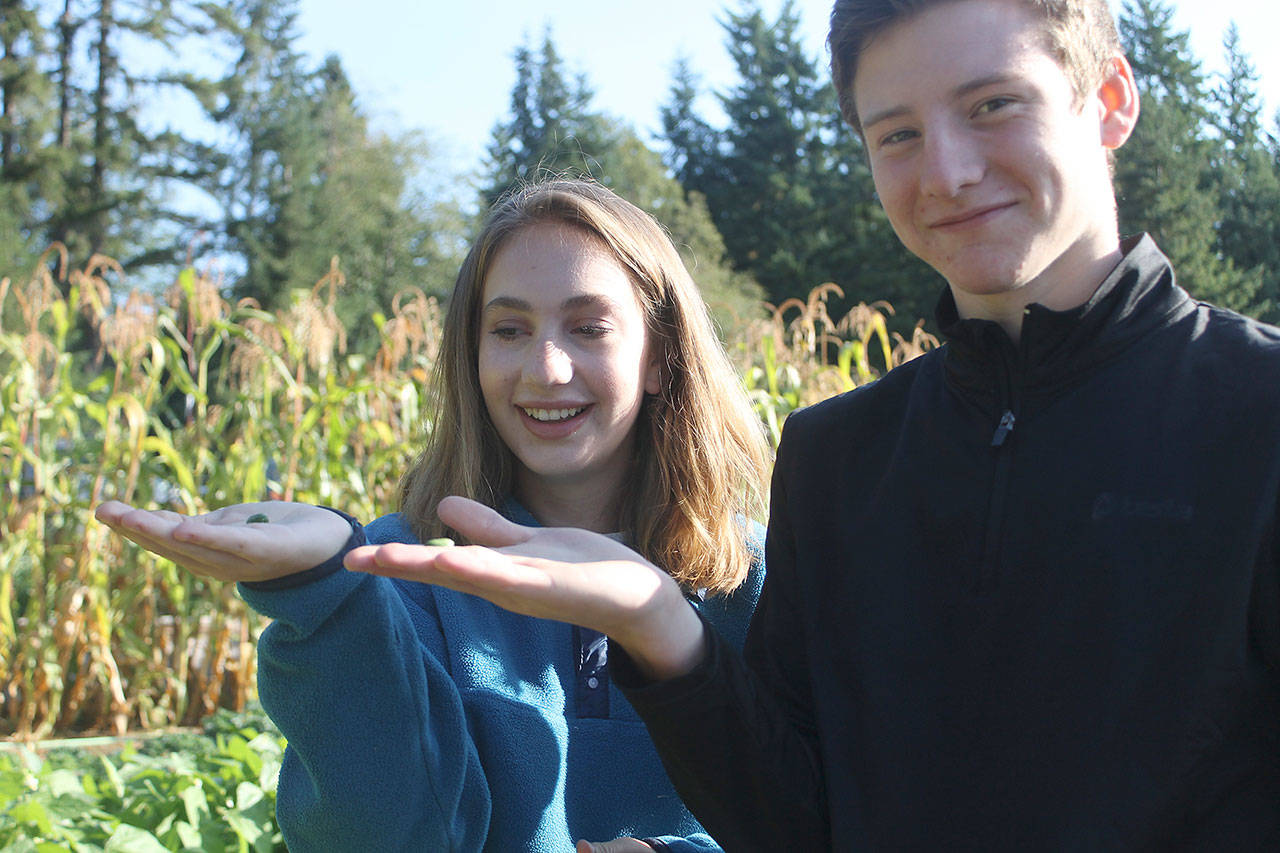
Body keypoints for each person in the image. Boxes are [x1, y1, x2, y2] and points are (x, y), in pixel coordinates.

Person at [338, 0, 1280, 849]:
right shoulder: (840, 459)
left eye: (993, 104)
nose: (946, 171)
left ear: (1110, 99)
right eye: (897, 132)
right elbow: (796, 820)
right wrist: (659, 619)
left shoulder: (1255, 413)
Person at [95, 178, 772, 852]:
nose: (545, 367)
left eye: (588, 327)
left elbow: (821, 810)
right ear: (471, 354)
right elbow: (377, 837)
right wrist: (325, 594)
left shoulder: (759, 577)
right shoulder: (406, 569)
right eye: (509, 329)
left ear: (659, 355)